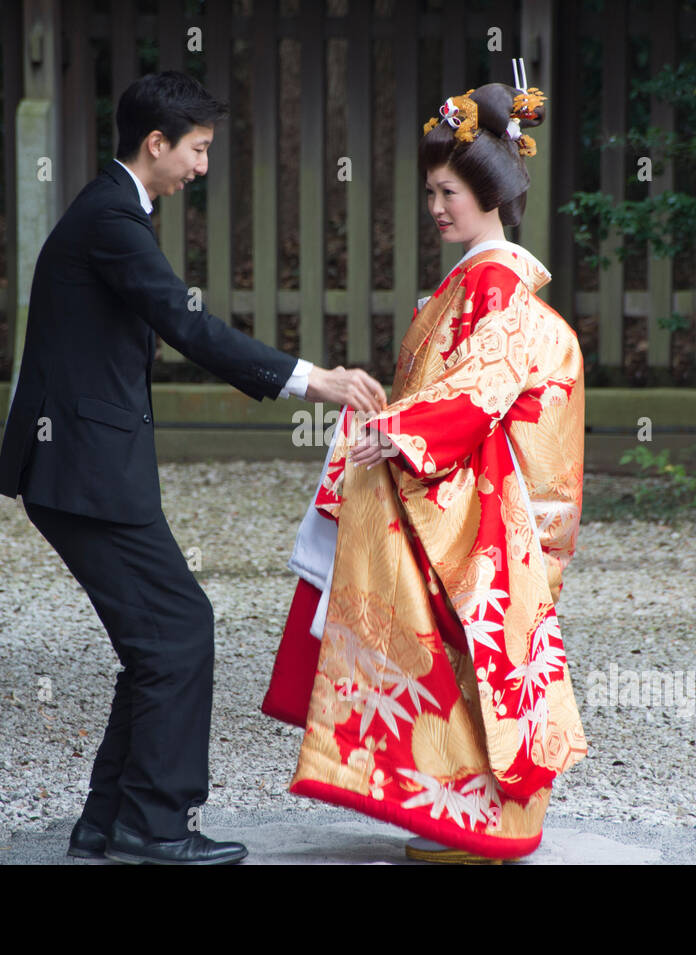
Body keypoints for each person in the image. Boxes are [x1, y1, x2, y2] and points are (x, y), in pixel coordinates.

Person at [0, 70, 387, 865]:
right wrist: (315, 378)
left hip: (84, 467)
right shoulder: (110, 217)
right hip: (84, 471)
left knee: (159, 638)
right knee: (179, 631)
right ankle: (154, 825)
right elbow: (187, 322)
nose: (202, 167)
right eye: (199, 150)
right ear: (156, 143)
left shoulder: (112, 211)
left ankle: (110, 822)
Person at [262, 67, 588, 863]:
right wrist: (396, 421)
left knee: (466, 646)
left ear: (493, 191)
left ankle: (482, 824)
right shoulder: (478, 278)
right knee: (464, 651)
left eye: (450, 192)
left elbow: (484, 382)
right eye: (433, 191)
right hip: (461, 483)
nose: (437, 206)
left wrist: (401, 432)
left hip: (479, 493)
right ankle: (466, 815)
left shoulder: (497, 281)